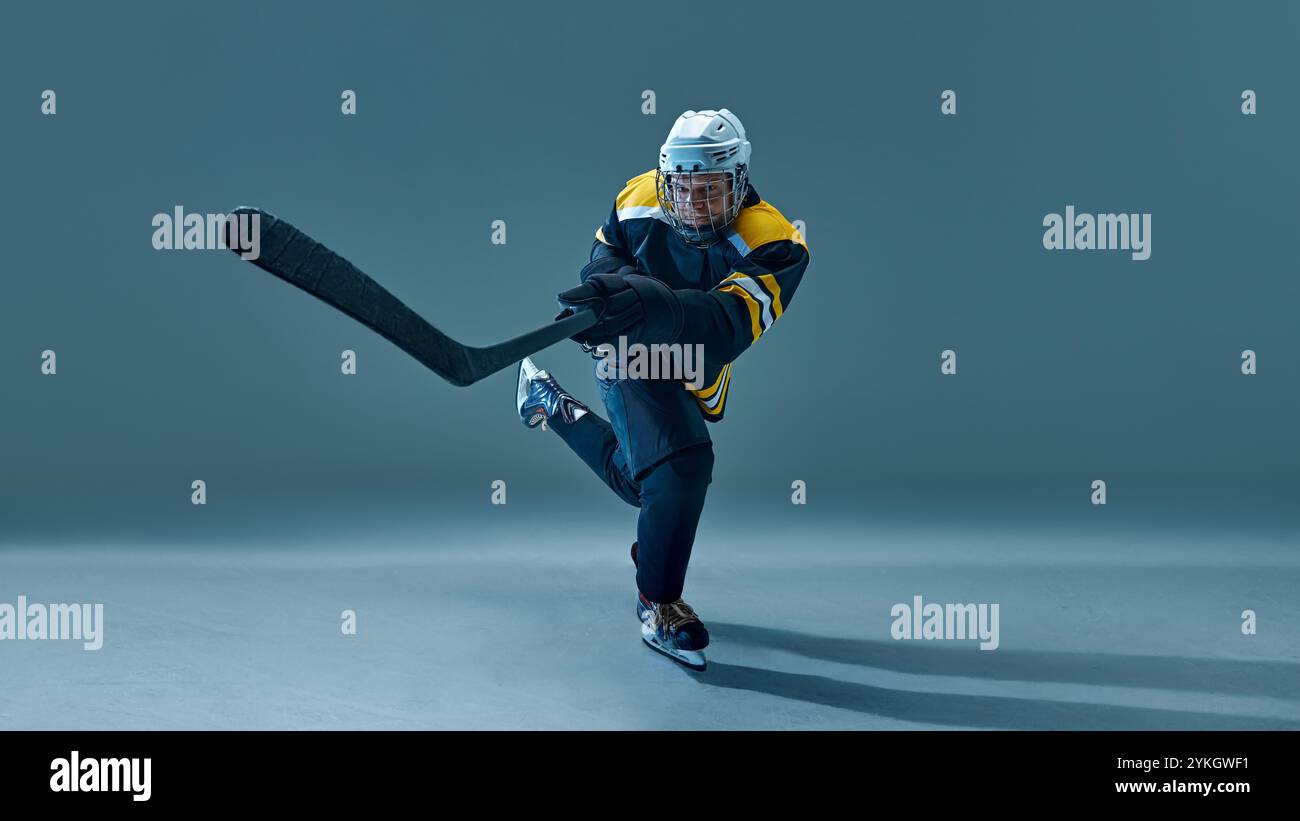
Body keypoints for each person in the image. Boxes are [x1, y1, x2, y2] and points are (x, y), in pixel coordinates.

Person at [515, 108, 810, 670]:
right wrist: (607, 295)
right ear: (665, 177)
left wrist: (652, 303)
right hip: (632, 351)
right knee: (680, 469)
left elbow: (727, 326)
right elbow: (606, 256)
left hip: (699, 359)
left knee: (646, 482)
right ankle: (659, 602)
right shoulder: (636, 197)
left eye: (713, 190)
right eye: (684, 187)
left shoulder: (777, 242)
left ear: (741, 182)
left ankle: (549, 404)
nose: (696, 204)